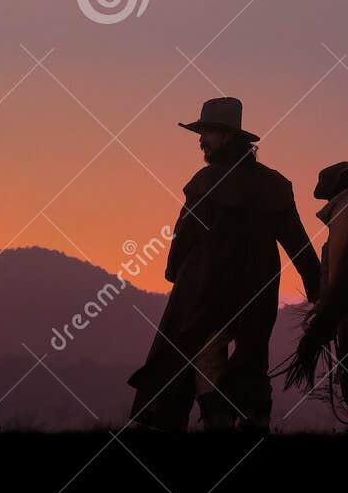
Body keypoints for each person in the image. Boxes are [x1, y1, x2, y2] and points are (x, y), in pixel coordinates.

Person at [127, 97, 322, 431]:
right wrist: (317, 284)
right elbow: (297, 241)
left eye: (209, 133)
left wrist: (174, 272)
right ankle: (254, 421)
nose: (202, 139)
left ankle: (216, 422)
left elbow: (184, 234)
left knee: (202, 353)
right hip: (258, 290)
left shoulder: (204, 182)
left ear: (229, 136)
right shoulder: (273, 184)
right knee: (254, 357)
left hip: (207, 291)